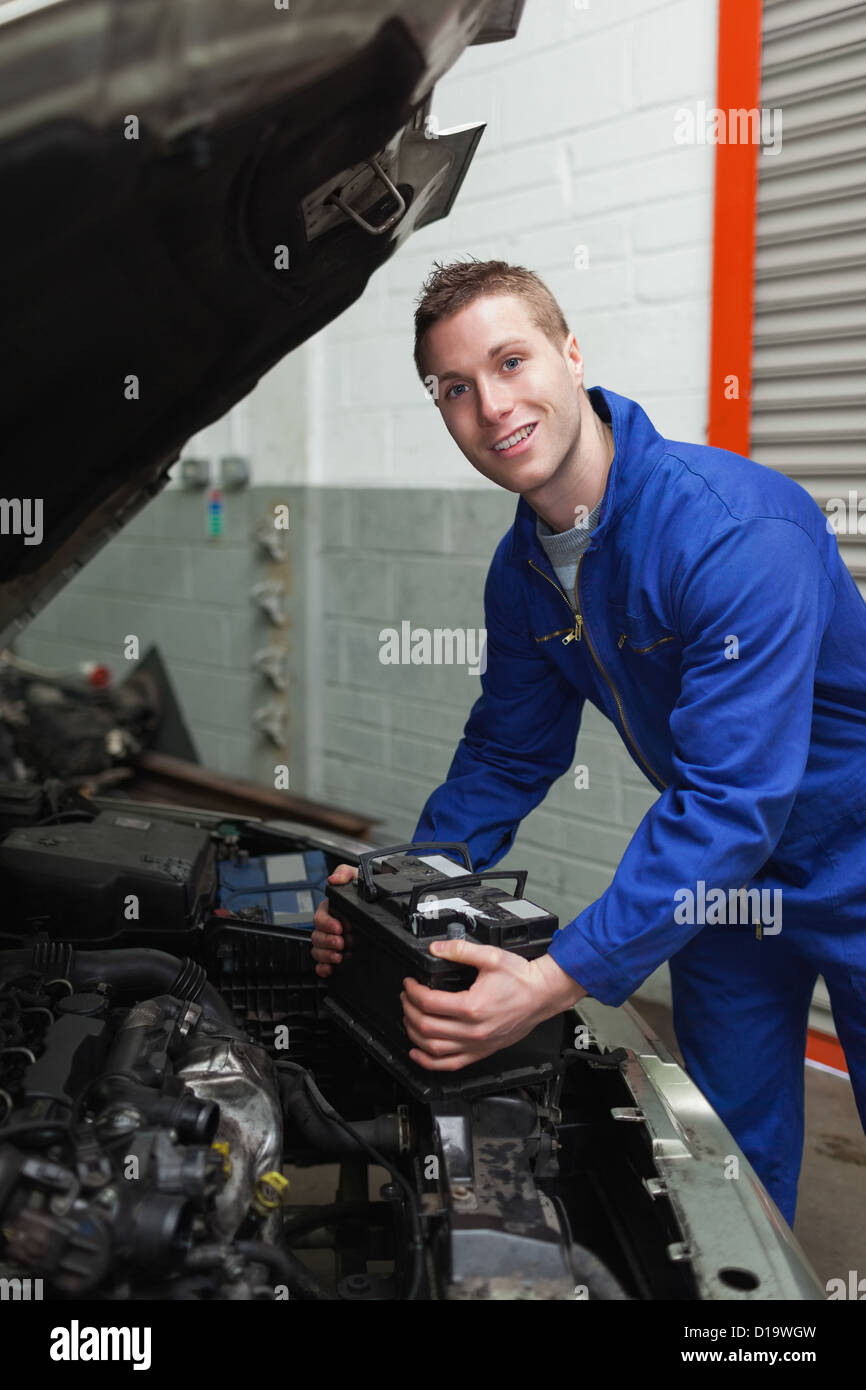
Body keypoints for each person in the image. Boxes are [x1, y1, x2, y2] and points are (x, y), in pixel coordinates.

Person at [312, 258, 866, 1227]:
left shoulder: (734, 532)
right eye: (453, 387)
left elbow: (731, 798)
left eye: (511, 360)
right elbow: (505, 757)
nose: (490, 405)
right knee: (725, 1158)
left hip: (846, 853)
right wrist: (393, 891)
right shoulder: (521, 571)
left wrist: (551, 978)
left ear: (572, 356)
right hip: (726, 889)